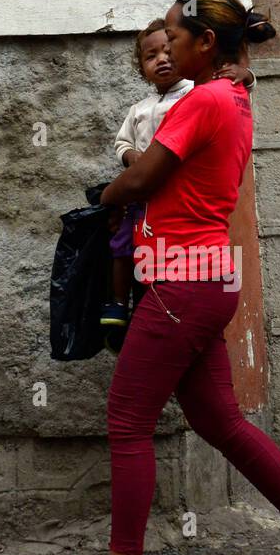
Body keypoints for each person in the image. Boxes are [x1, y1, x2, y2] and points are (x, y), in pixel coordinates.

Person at [53, 0, 280, 555]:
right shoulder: (233, 94)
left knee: (128, 418)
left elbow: (141, 176)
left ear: (205, 42)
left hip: (182, 282)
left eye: (176, 37)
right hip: (204, 278)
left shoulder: (202, 101)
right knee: (219, 419)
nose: (167, 48)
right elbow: (236, 71)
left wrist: (101, 199)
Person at [103, 19, 255, 353]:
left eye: (169, 49)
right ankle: (118, 303)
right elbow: (123, 145)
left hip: (182, 253)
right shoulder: (139, 110)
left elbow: (235, 85)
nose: (163, 58)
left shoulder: (198, 96)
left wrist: (110, 195)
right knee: (122, 245)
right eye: (151, 55)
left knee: (132, 398)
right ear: (141, 69)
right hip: (149, 215)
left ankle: (132, 308)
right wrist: (132, 159)